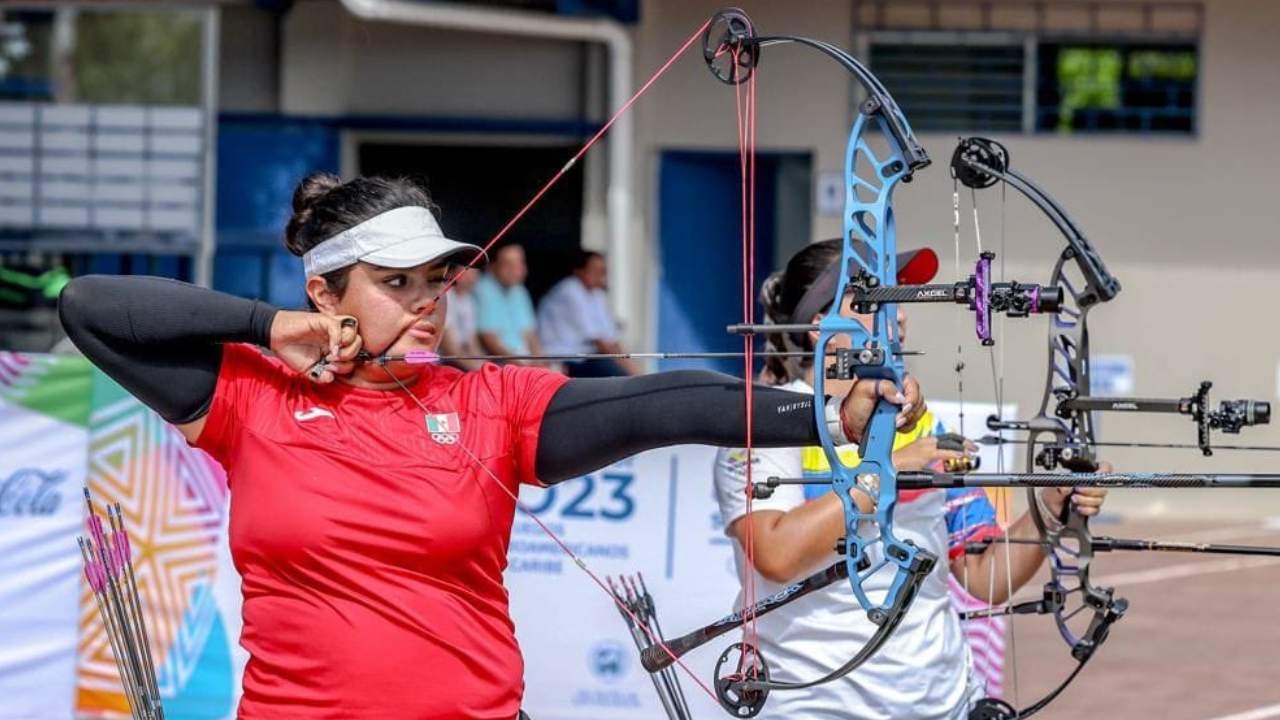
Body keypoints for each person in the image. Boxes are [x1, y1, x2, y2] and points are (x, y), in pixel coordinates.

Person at [56, 174, 928, 719]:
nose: (425, 303)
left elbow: (664, 407)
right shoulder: (251, 399)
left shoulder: (489, 401)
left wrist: (827, 416)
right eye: (394, 284)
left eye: (434, 282)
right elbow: (89, 307)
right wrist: (266, 325)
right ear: (324, 290)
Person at [712, 239, 1109, 720]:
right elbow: (775, 555)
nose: (897, 316)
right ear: (820, 329)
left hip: (941, 700)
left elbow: (984, 576)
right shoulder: (767, 423)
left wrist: (1051, 507)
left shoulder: (922, 425)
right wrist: (891, 467)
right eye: (874, 301)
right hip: (814, 704)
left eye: (897, 301)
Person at [537, 250, 638, 377]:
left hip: (586, 358)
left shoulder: (597, 294)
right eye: (595, 270)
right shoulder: (570, 291)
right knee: (617, 377)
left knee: (621, 374)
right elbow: (600, 342)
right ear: (580, 271)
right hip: (563, 358)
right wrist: (635, 374)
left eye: (603, 271)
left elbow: (612, 339)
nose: (600, 276)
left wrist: (635, 370)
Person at [474, 243, 540, 361]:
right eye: (508, 264)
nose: (516, 269)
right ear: (492, 266)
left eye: (520, 263)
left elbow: (530, 335)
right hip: (502, 363)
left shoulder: (519, 290)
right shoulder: (482, 289)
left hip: (524, 360)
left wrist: (540, 362)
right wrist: (524, 367)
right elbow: (489, 339)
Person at [439, 266, 483, 370]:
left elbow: (472, 344)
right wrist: (477, 369)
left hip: (460, 359)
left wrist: (484, 366)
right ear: (451, 274)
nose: (472, 278)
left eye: (475, 273)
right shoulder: (445, 297)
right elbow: (450, 349)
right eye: (467, 273)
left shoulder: (469, 300)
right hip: (444, 362)